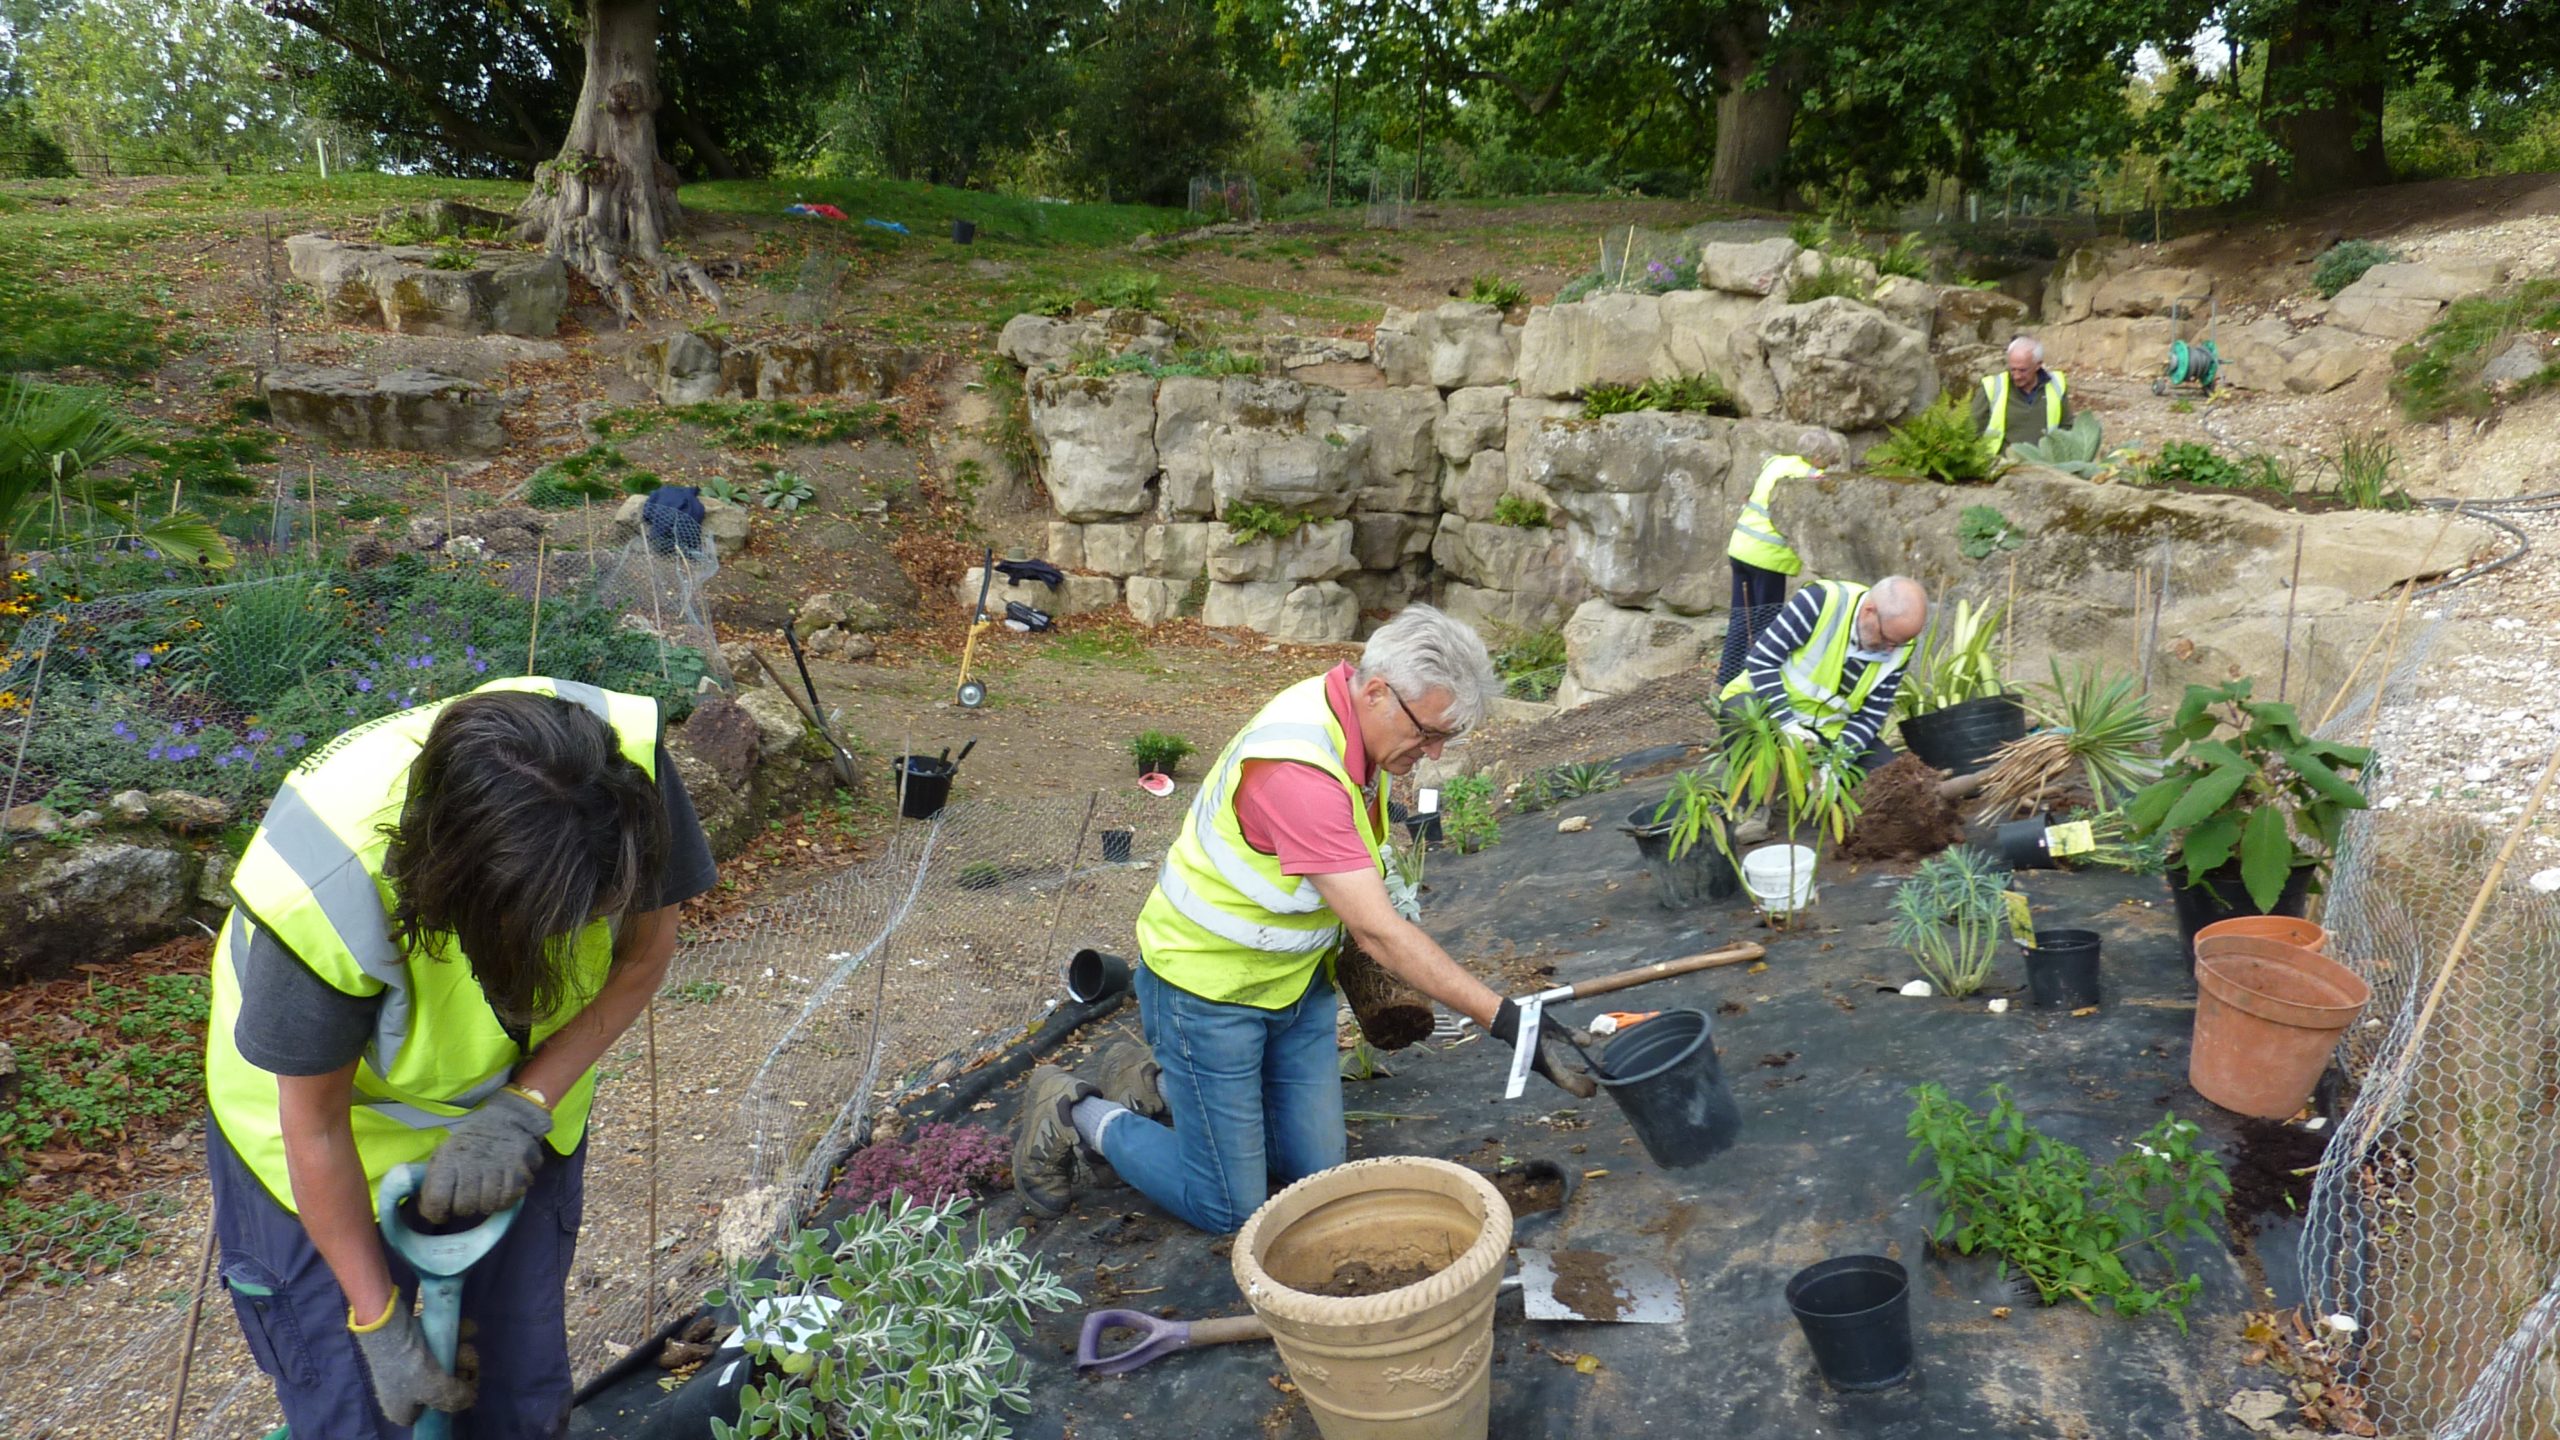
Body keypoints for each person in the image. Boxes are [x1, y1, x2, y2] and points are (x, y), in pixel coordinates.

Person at [203, 677, 718, 1436]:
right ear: (462, 895)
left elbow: (644, 959)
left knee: (517, 1396)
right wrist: (378, 1321)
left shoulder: (621, 774)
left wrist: (524, 1106)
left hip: (522, 1119)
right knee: (359, 1413)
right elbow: (311, 1126)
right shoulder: (319, 893)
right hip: (326, 1140)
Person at [1011, 606, 1590, 1234]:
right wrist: (1511, 1021)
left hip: (1293, 985)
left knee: (1314, 1178)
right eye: (1429, 734)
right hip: (1206, 991)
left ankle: (1161, 1084)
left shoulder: (1351, 720)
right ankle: (1080, 1114)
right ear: (1377, 692)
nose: (1436, 753)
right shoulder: (1298, 772)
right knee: (1233, 1207)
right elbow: (1376, 931)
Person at [1722, 575, 1929, 774]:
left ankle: (1826, 804)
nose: (1891, 650)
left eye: (1900, 643)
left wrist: (1835, 769)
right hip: (1771, 712)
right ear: (1869, 611)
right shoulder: (1821, 602)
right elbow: (1761, 661)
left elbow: (1870, 716)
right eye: (1887, 639)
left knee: (1891, 777)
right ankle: (1752, 804)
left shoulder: (1901, 644)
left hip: (1829, 730)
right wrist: (1787, 725)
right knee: (1740, 713)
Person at [1719, 429, 1845, 687]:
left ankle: (1725, 680)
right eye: (1831, 459)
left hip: (1741, 549)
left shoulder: (1777, 462)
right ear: (1818, 457)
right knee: (1765, 621)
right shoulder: (1811, 477)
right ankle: (1756, 682)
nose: (1831, 465)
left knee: (1741, 619)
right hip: (1768, 559)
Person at [1972, 336, 2071, 450]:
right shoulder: (1992, 387)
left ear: (2038, 365)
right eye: (2013, 369)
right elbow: (1971, 430)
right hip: (2002, 464)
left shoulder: (2056, 384)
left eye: (2023, 370)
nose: (2017, 376)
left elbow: (2067, 427)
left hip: (2044, 464)